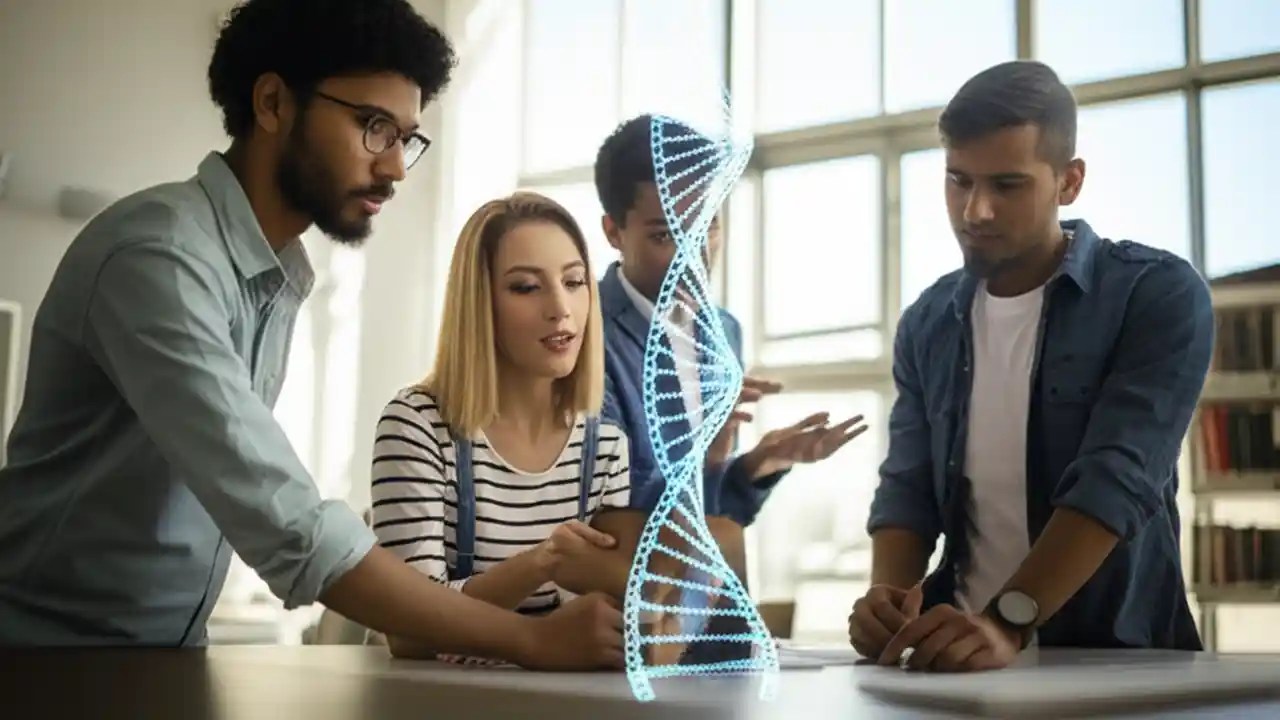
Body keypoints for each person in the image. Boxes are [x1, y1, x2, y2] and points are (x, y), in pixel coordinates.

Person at [0, 0, 622, 669]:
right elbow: (290, 526)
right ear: (273, 103)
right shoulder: (160, 258)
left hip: (164, 660)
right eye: (373, 127)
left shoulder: (273, 276)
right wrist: (531, 639)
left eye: (406, 138)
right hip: (47, 664)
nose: (396, 168)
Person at [850, 60, 1214, 672]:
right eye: (959, 181)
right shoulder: (927, 322)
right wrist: (888, 601)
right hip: (953, 665)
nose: (976, 211)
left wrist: (1007, 622)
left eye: (1007, 185)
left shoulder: (1157, 295)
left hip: (1110, 666)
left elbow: (1117, 478)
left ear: (1068, 182)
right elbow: (907, 488)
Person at [369, 192, 632, 662]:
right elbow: (408, 634)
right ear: (479, 304)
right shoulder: (416, 426)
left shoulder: (607, 447)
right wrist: (541, 563)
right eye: (526, 287)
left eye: (574, 281)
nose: (560, 307)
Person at [592, 114, 867, 527]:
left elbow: (716, 515)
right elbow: (601, 518)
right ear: (614, 232)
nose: (694, 256)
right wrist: (703, 462)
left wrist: (761, 462)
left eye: (709, 226)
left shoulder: (724, 331)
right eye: (665, 235)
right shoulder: (583, 336)